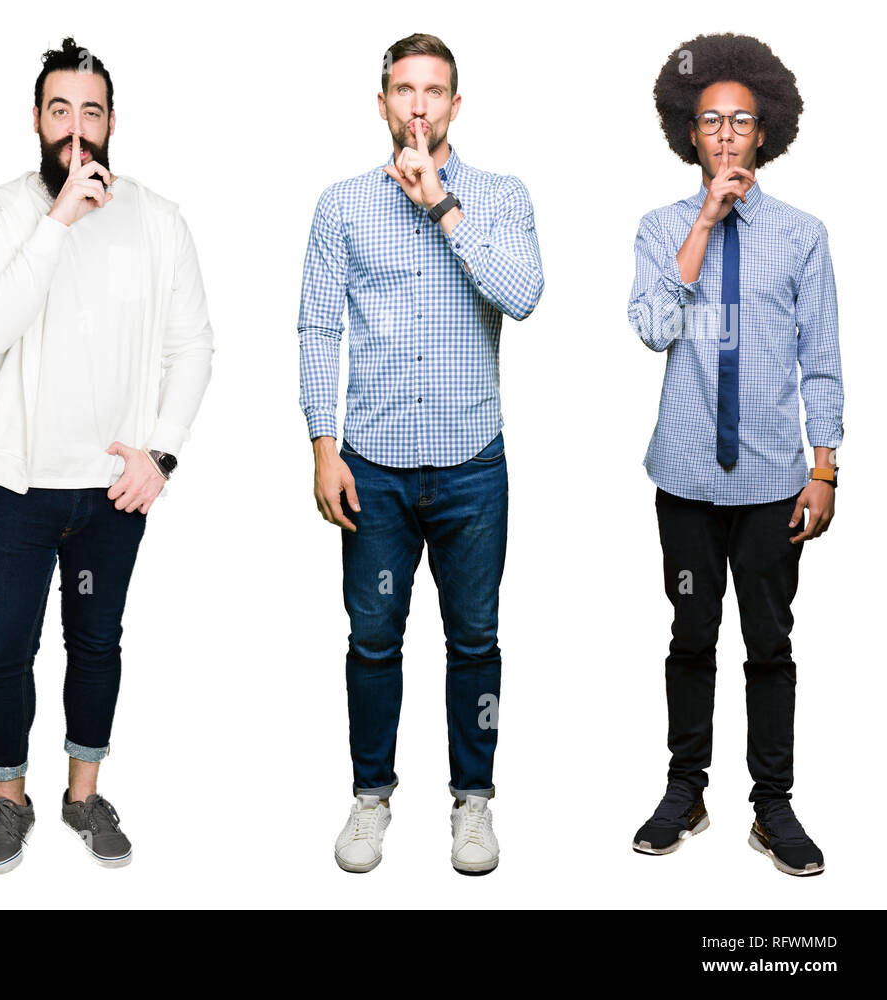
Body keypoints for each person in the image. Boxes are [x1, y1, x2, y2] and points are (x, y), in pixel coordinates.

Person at [0, 37, 214, 876]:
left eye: (93, 111)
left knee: (96, 642)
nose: (77, 127)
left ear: (113, 123)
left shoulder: (159, 218)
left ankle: (83, 794)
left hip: (112, 491)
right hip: (17, 484)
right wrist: (59, 217)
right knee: (1, 646)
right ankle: (9, 800)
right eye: (60, 109)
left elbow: (195, 348)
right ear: (37, 120)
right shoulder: (1, 213)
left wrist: (163, 457)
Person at [298, 32, 544, 875]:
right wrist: (322, 445)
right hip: (371, 467)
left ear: (455, 105)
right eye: (403, 90)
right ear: (382, 103)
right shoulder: (341, 205)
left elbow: (524, 294)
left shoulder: (500, 198)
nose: (417, 106)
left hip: (473, 467)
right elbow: (316, 326)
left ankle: (473, 803)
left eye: (433, 91)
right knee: (373, 638)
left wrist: (443, 205)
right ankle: (371, 798)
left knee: (475, 640)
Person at [627, 32, 842, 877]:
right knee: (690, 636)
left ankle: (773, 804)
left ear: (765, 131)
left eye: (739, 121)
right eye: (708, 120)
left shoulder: (802, 236)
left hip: (771, 486)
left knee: (770, 645)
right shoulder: (659, 229)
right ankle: (686, 790)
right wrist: (708, 220)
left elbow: (820, 359)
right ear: (688, 133)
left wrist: (824, 470)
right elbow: (653, 327)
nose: (723, 134)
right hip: (682, 480)